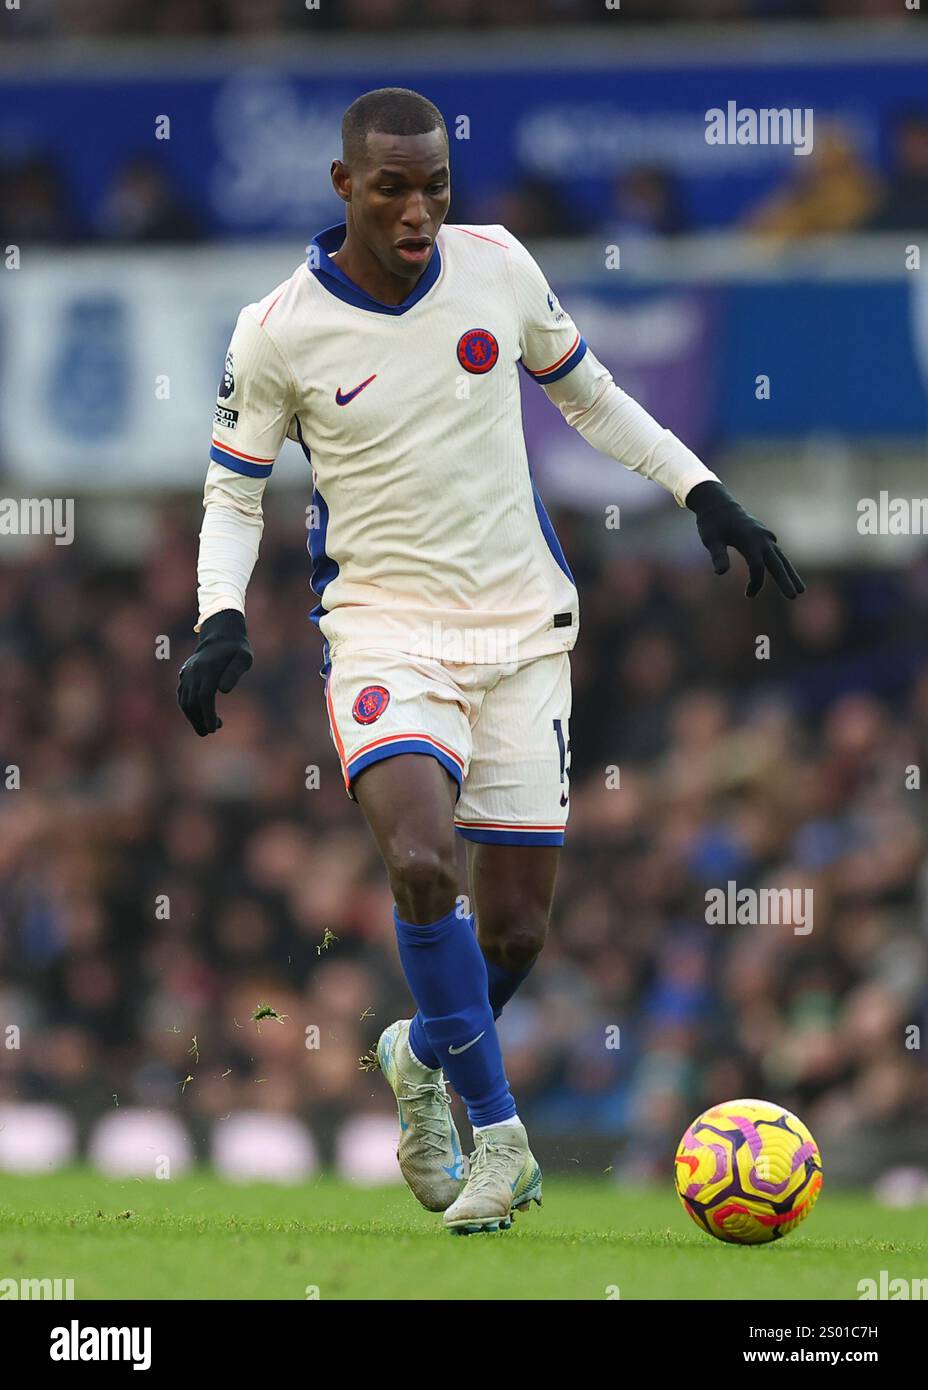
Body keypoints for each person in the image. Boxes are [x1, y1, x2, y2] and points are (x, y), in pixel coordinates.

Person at [178, 87, 803, 1235]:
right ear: (344, 187)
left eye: (435, 187)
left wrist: (699, 490)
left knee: (513, 934)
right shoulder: (277, 329)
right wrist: (221, 612)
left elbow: (590, 395)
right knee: (422, 863)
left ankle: (419, 1055)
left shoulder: (498, 267)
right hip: (381, 631)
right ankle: (500, 1141)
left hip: (522, 634)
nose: (418, 210)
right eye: (393, 188)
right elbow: (232, 486)